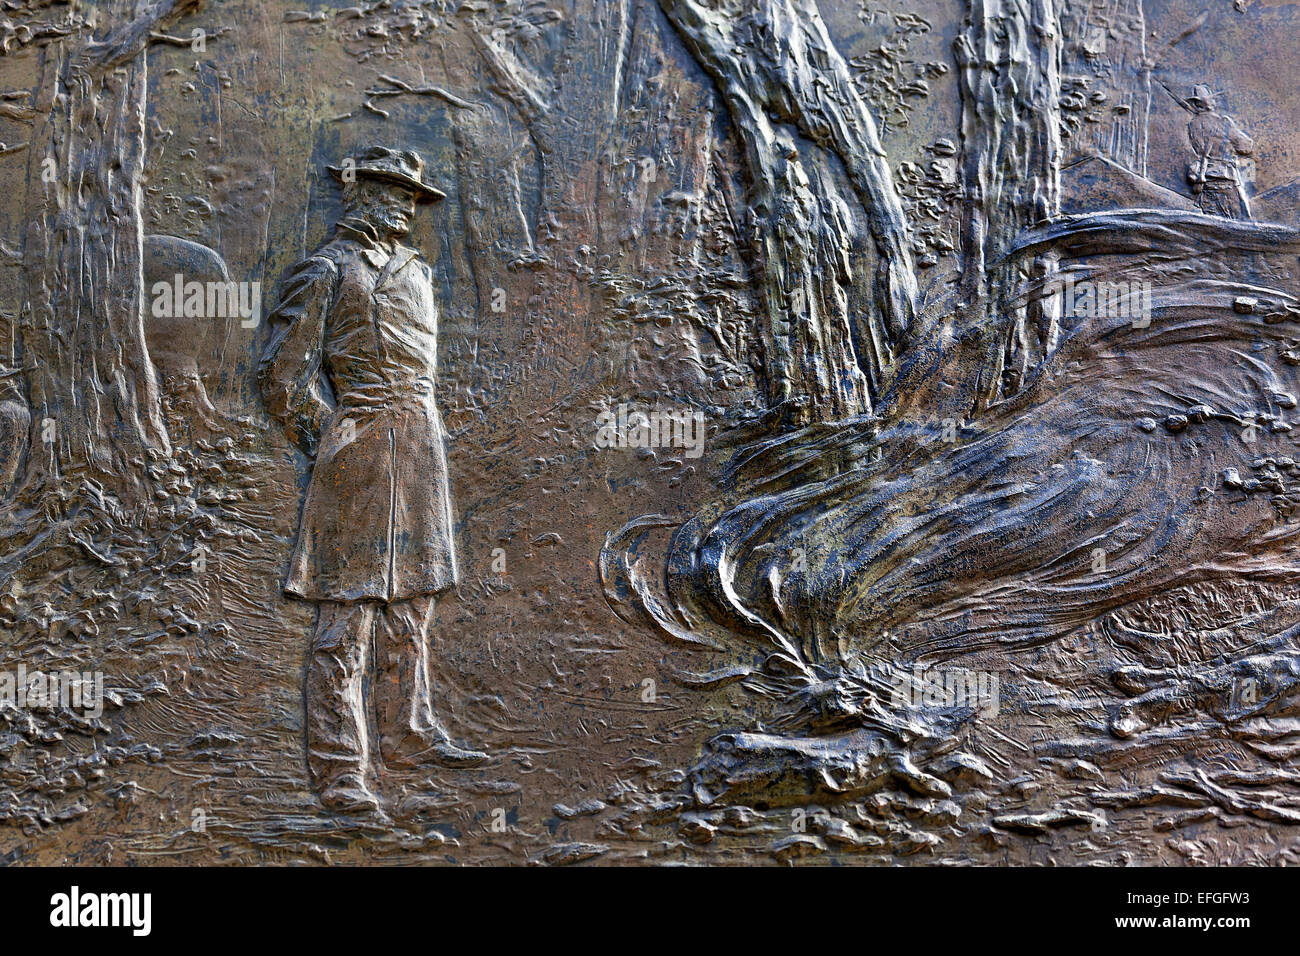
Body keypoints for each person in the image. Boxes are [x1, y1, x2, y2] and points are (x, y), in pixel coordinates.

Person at [260, 146, 486, 814]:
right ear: (359, 196)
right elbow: (279, 375)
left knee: (414, 600)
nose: (406, 207)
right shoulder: (326, 271)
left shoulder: (417, 271)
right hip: (357, 453)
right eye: (392, 193)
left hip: (419, 445)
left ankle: (408, 731)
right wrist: (332, 438)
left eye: (412, 196)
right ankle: (338, 771)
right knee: (346, 616)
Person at [1186, 85, 1254, 220]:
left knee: (1211, 225)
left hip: (1205, 178)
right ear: (1209, 103)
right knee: (1242, 220)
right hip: (1226, 176)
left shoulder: (1193, 124)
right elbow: (1245, 147)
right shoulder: (1223, 122)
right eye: (1212, 99)